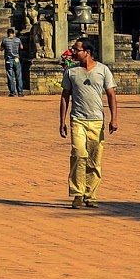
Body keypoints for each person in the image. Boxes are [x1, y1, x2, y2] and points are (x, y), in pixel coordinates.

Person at [58, 39, 117, 208]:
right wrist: (62, 121)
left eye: (76, 50)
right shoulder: (71, 72)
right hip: (78, 119)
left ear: (87, 52)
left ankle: (90, 194)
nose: (73, 52)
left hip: (97, 120)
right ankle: (77, 193)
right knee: (78, 154)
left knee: (94, 159)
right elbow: (65, 96)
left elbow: (111, 94)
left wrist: (114, 118)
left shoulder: (103, 70)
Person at [1, 28, 24, 97]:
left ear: (8, 34)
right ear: (13, 34)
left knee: (10, 76)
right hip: (16, 58)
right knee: (18, 75)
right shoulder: (18, 40)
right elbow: (21, 47)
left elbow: (1, 49)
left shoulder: (5, 40)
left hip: (9, 59)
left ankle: (12, 92)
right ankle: (20, 92)